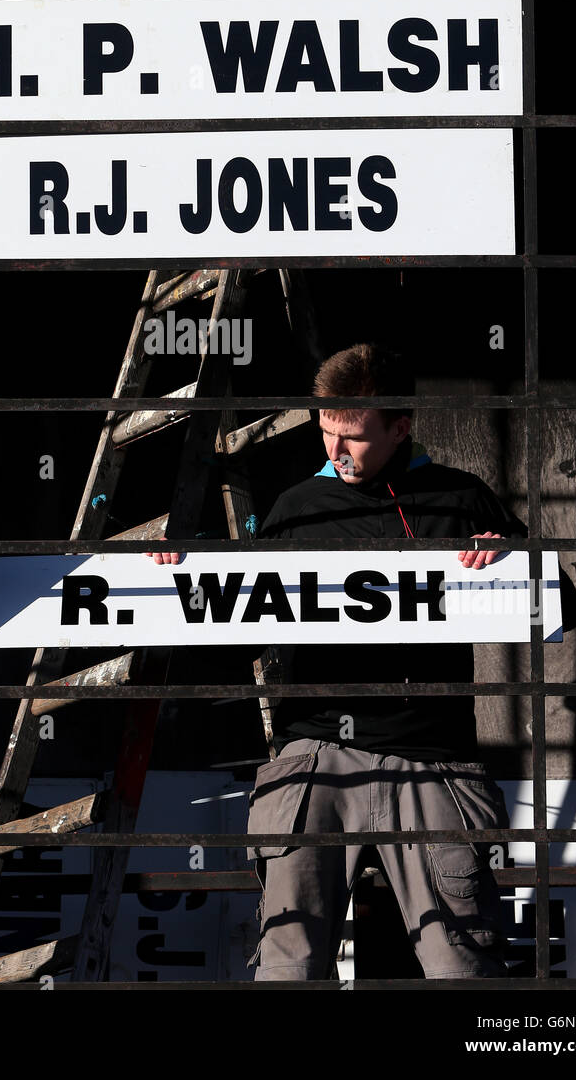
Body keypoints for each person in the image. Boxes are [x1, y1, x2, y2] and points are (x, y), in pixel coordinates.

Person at [240, 342, 527, 981]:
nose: (335, 453)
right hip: (315, 751)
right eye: (325, 433)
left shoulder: (463, 498)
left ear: (401, 427)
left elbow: (557, 604)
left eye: (355, 438)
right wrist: (187, 570)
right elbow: (235, 619)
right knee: (289, 966)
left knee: (462, 964)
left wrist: (506, 555)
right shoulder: (293, 510)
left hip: (430, 752)